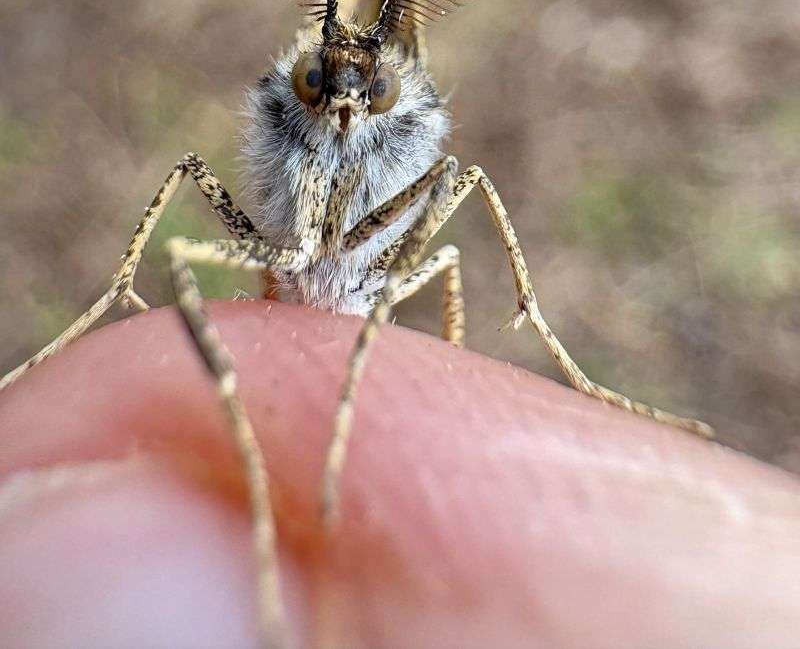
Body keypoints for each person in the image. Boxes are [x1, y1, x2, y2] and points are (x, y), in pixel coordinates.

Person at [1, 299, 799, 648]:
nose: (344, 106)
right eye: (322, 85)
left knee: (461, 192)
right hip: (279, 343)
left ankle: (458, 377)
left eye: (363, 93)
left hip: (367, 364)